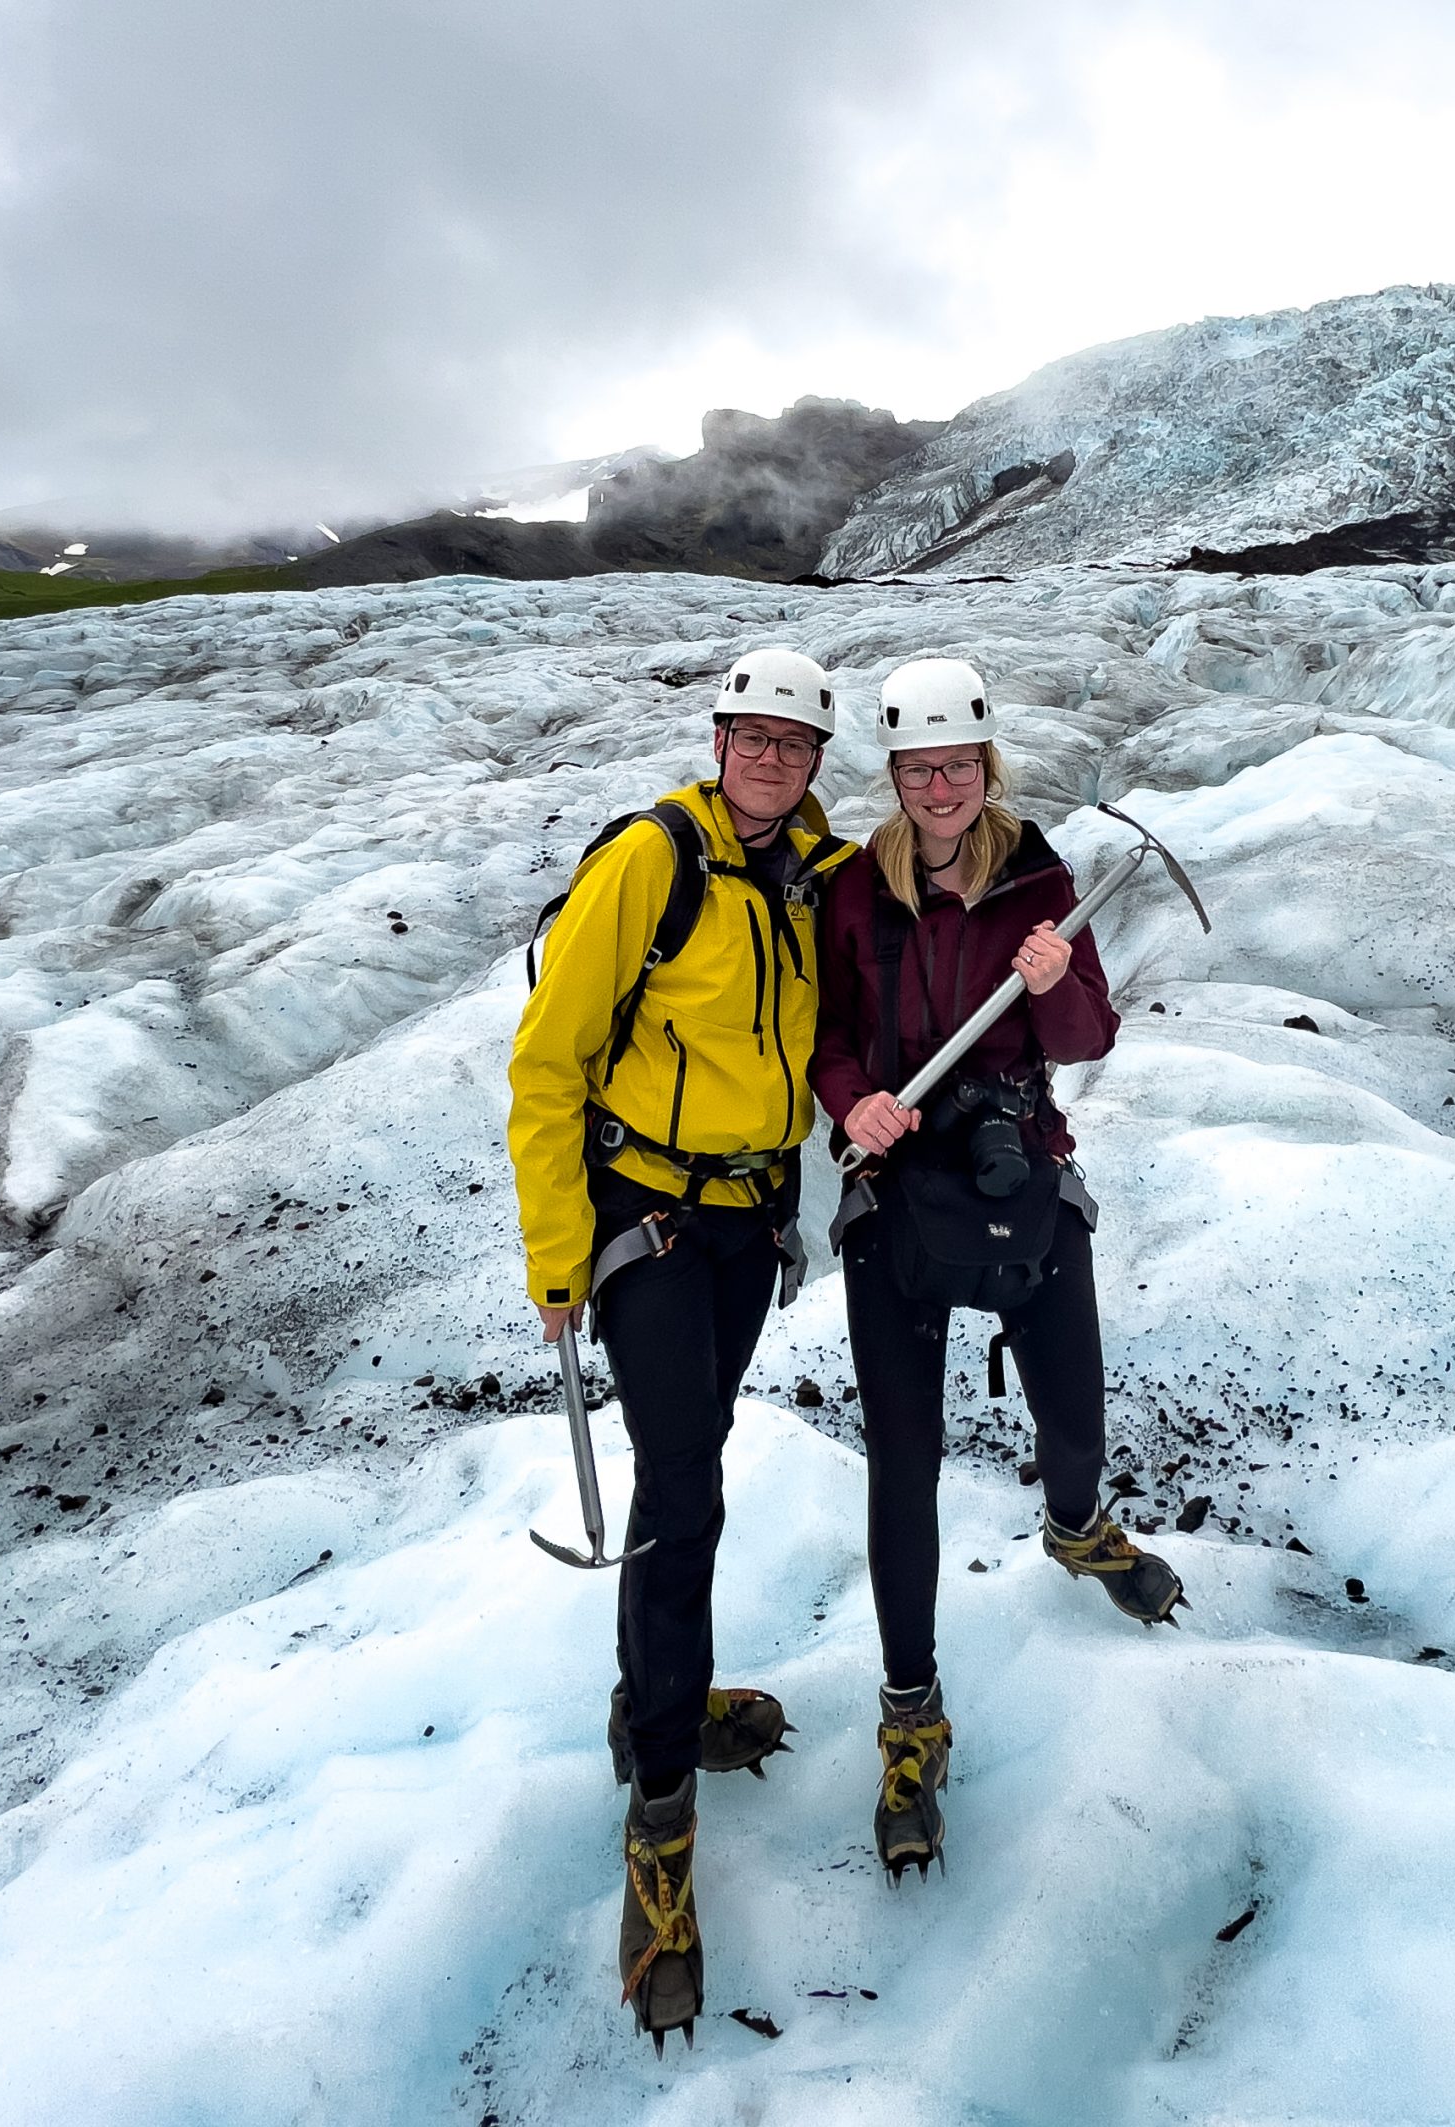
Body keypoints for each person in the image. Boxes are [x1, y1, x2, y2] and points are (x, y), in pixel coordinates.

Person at [507, 646, 856, 2046]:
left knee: (682, 1477)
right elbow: (549, 1058)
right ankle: (660, 1819)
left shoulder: (815, 874)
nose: (769, 757)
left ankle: (650, 1692)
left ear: (816, 756)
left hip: (746, 1224)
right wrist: (554, 1257)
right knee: (688, 1493)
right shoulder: (653, 864)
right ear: (718, 739)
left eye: (793, 740)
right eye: (750, 735)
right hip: (645, 1223)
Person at [810, 656, 1185, 1885]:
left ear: (986, 768)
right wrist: (852, 1103)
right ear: (896, 775)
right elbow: (826, 1037)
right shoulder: (855, 893)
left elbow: (1088, 1037)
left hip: (1020, 1165)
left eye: (957, 767)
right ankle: (909, 1707)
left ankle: (1074, 1527)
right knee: (902, 1462)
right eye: (918, 769)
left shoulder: (1039, 881)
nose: (939, 787)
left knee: (1073, 1409)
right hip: (898, 1185)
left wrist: (1055, 977)